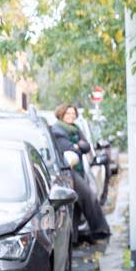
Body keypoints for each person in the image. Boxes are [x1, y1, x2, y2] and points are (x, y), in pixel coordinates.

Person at [51, 104, 110, 242]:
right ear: (61, 114)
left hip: (79, 170)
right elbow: (70, 149)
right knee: (89, 196)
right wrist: (78, 146)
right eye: (68, 113)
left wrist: (78, 146)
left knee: (75, 207)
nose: (71, 116)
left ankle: (73, 240)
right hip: (67, 172)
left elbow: (86, 146)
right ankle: (100, 230)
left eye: (73, 113)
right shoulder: (57, 130)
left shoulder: (76, 129)